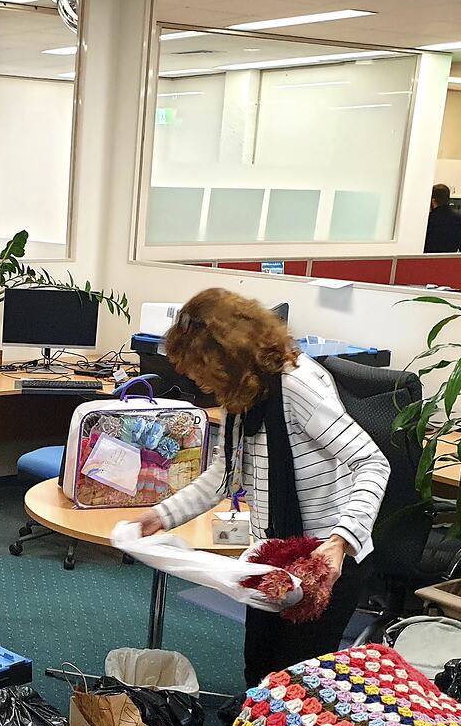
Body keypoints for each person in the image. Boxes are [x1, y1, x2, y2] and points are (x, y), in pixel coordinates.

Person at [138, 289, 390, 688]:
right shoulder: (244, 395)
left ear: (229, 356)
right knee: (260, 670)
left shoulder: (296, 386)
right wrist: (161, 516)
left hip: (325, 561)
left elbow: (372, 462)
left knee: (302, 684)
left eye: (199, 367)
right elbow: (224, 477)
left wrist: (341, 542)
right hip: (273, 554)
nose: (193, 378)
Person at [424, 183, 461, 253]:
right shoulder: (460, 220)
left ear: (433, 201)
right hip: (449, 261)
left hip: (427, 261)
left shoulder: (428, 220)